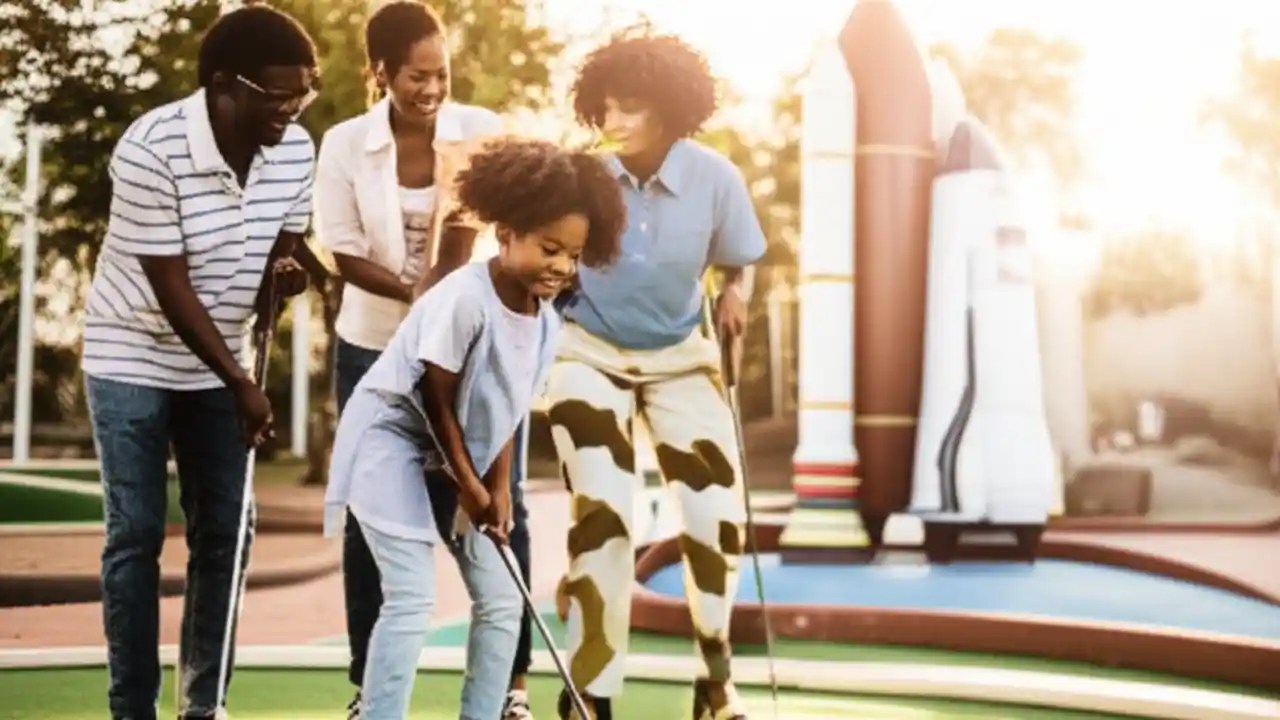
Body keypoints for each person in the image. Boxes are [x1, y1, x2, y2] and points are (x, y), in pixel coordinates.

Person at [322, 136, 626, 720]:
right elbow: (434, 398)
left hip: (455, 452)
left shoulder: (544, 322)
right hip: (391, 439)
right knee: (411, 596)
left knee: (502, 598)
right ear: (506, 232)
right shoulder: (464, 298)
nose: (561, 266)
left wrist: (501, 489)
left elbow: (506, 408)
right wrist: (471, 485)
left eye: (573, 255)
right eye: (549, 247)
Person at [79, 6, 319, 719]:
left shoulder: (295, 148)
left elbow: (283, 244)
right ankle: (133, 708)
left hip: (222, 363)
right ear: (225, 85)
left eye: (301, 92)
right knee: (137, 534)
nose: (291, 107)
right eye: (278, 93)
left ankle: (203, 706)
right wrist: (242, 382)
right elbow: (170, 283)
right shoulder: (149, 149)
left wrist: (287, 270)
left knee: (227, 532)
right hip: (133, 352)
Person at [310, 3, 538, 716]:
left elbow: (482, 241)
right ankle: (365, 686)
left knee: (508, 504)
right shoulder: (346, 144)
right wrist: (418, 297)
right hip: (372, 343)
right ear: (380, 71)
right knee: (369, 518)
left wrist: (443, 301)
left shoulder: (482, 133)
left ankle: (512, 686)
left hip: (471, 345)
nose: (431, 88)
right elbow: (341, 248)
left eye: (441, 73)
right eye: (416, 76)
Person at [546, 27, 767, 720]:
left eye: (630, 106)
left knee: (713, 521)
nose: (611, 121)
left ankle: (715, 675)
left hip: (680, 356)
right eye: (604, 106)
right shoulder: (581, 177)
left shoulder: (716, 178)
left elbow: (742, 256)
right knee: (605, 511)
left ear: (670, 110)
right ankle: (592, 692)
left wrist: (736, 293)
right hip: (587, 352)